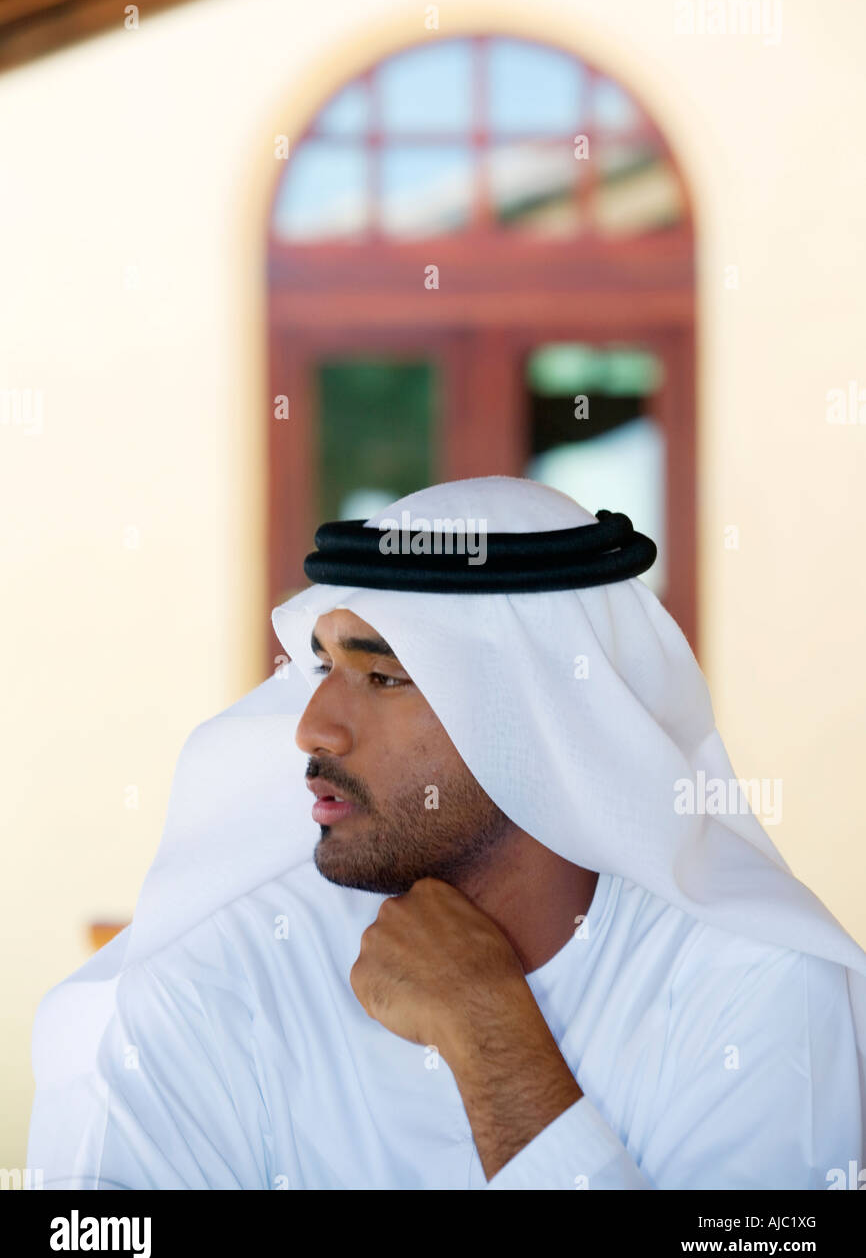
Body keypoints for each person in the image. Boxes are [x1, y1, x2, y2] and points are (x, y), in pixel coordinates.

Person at [26, 477, 865, 1189]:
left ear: (542, 720)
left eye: (384, 676)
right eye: (324, 669)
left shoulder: (758, 988)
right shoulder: (221, 975)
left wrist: (489, 1029)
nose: (314, 728)